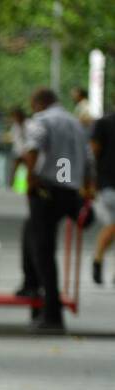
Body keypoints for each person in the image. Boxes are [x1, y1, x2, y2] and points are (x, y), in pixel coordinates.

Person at [19, 88, 91, 332]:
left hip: (47, 190)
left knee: (43, 250)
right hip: (70, 191)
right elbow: (89, 159)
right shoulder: (76, 123)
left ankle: (52, 312)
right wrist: (88, 190)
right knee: (30, 232)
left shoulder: (42, 120)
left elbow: (32, 148)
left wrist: (30, 178)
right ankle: (30, 282)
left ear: (40, 104)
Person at [91, 107, 115, 286]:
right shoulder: (104, 123)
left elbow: (93, 151)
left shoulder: (103, 123)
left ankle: (98, 261)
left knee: (112, 225)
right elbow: (93, 152)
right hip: (108, 183)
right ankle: (97, 260)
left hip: (105, 182)